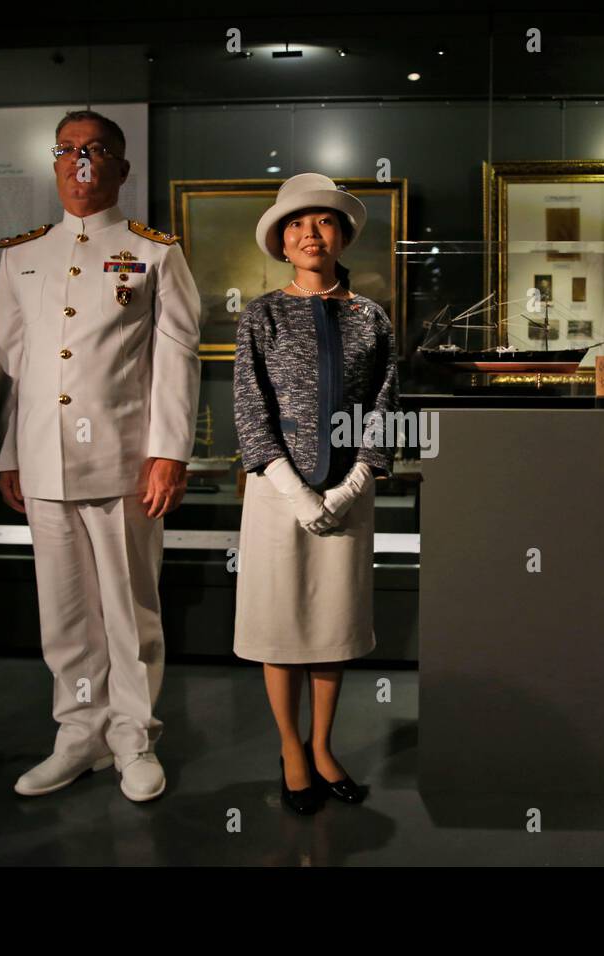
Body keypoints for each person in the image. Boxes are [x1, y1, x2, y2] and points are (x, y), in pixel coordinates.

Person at [0, 110, 202, 803]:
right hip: (45, 464)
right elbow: (9, 365)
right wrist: (7, 453)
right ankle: (78, 734)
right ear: (54, 164)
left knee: (129, 610)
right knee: (66, 611)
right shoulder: (20, 254)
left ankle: (133, 737)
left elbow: (177, 359)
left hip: (125, 462)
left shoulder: (155, 250)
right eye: (69, 150)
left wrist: (169, 452)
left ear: (122, 169)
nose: (81, 162)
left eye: (97, 150)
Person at [233, 172, 398, 815]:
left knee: (332, 625)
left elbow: (385, 405)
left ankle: (324, 745)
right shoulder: (262, 315)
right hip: (278, 496)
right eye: (297, 223)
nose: (310, 233)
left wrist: (354, 483)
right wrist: (297, 494)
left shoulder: (371, 317)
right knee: (281, 627)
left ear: (342, 235)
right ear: (280, 239)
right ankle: (290, 747)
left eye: (323, 221)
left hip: (348, 496)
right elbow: (251, 410)